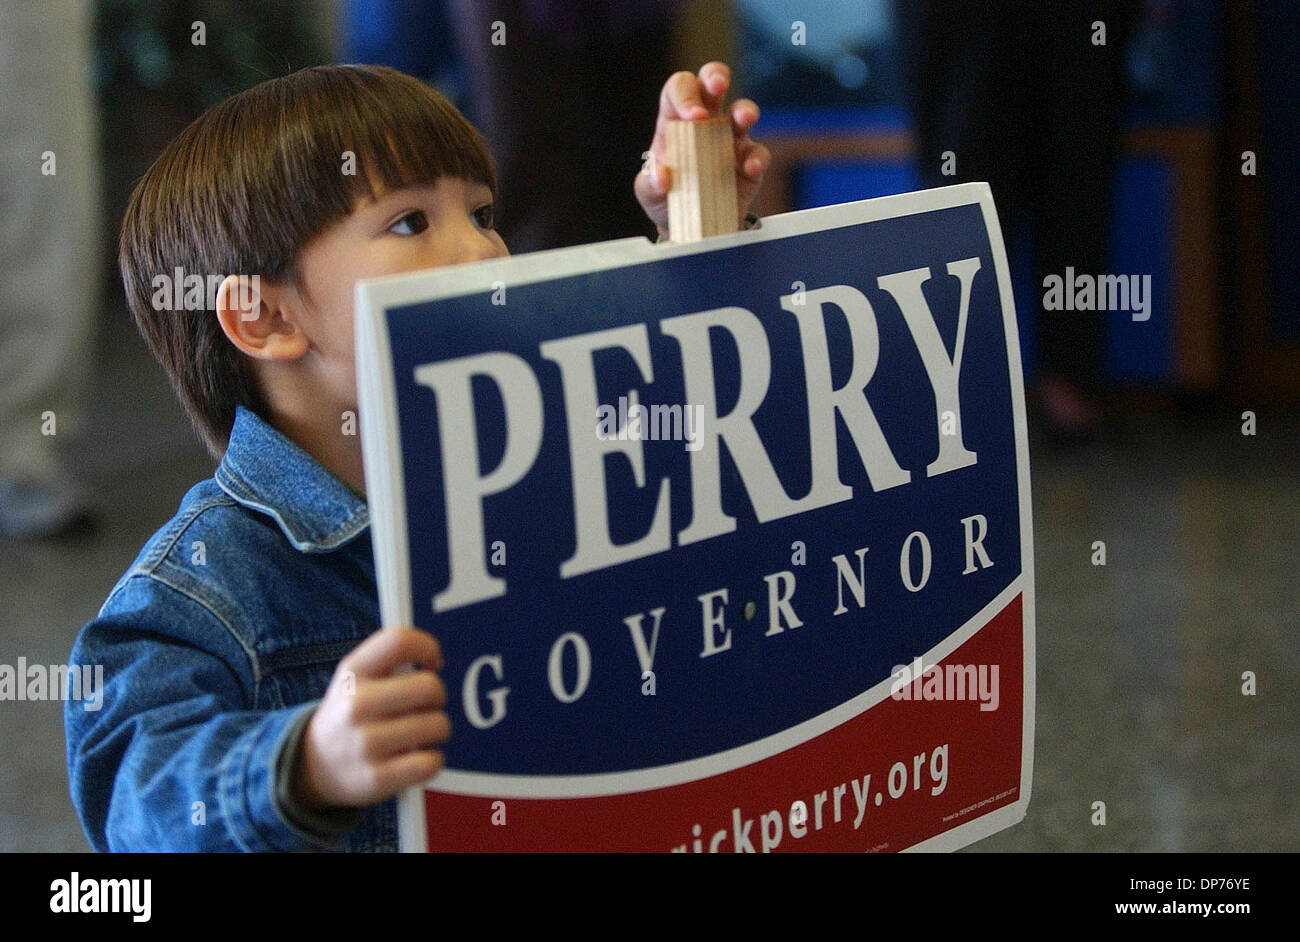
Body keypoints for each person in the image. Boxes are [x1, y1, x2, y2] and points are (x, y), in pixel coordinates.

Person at [64, 62, 768, 852]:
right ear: (263, 317)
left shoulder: (547, 467)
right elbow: (135, 796)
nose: (486, 252)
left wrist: (699, 243)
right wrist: (302, 766)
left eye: (482, 212)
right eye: (410, 223)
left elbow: (701, 444)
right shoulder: (208, 586)